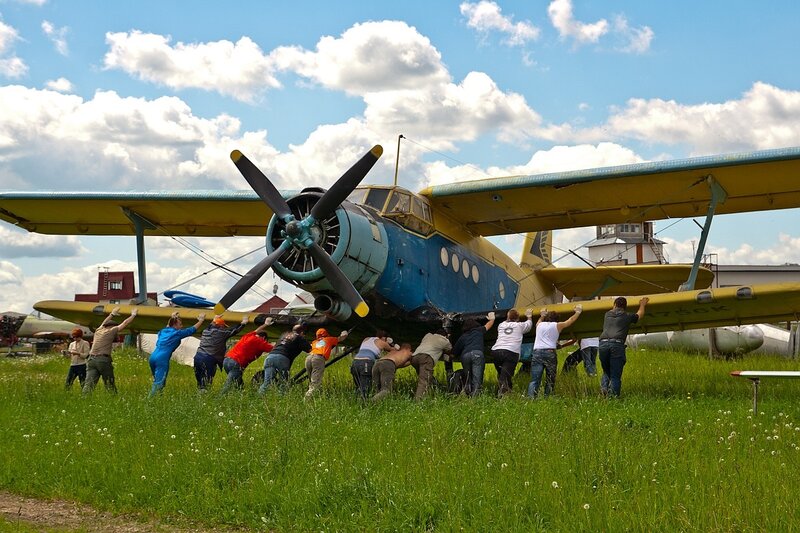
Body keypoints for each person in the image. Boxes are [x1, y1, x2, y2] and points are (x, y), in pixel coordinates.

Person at [527, 306, 583, 398]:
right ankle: (548, 397)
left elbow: (539, 320)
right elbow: (570, 320)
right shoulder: (557, 325)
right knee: (550, 378)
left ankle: (531, 398)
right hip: (550, 352)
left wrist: (542, 315)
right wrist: (578, 312)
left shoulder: (539, 325)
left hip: (537, 352)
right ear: (556, 319)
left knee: (535, 379)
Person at [599, 297, 649, 398]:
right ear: (625, 307)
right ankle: (613, 398)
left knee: (606, 371)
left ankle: (604, 389)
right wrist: (642, 304)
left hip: (603, 344)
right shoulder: (627, 315)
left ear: (614, 305)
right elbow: (640, 315)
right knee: (615, 375)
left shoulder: (607, 314)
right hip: (617, 345)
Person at [149, 312, 206, 397]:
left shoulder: (163, 331)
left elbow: (169, 325)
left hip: (152, 357)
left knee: (158, 380)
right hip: (162, 359)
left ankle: (158, 398)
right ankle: (150, 401)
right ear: (175, 325)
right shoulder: (177, 333)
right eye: (180, 324)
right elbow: (191, 330)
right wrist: (201, 320)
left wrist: (172, 317)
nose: (181, 326)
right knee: (159, 382)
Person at [83, 307, 137, 394]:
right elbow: (125, 323)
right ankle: (113, 399)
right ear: (111, 326)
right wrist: (133, 315)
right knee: (109, 382)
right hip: (103, 360)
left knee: (89, 384)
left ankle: (84, 399)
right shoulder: (111, 331)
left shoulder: (98, 330)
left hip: (91, 360)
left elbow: (103, 323)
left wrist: (112, 314)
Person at [193, 315, 248, 391]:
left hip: (198, 357)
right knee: (207, 381)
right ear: (221, 326)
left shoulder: (206, 330)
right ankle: (204, 398)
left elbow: (211, 325)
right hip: (209, 358)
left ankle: (199, 394)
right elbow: (234, 331)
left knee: (199, 379)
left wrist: (214, 319)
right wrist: (243, 323)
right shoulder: (221, 333)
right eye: (223, 326)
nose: (224, 328)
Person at [220, 318, 275, 394]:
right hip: (236, 363)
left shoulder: (249, 336)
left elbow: (256, 330)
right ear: (264, 338)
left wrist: (265, 324)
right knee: (229, 384)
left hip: (226, 360)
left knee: (238, 382)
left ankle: (241, 395)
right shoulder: (261, 341)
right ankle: (220, 397)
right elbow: (275, 349)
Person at [490, 308, 533, 397]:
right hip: (511, 352)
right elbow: (529, 325)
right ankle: (502, 396)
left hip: (496, 351)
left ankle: (506, 391)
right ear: (518, 318)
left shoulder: (501, 325)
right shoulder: (520, 326)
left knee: (503, 374)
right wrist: (529, 317)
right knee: (505, 376)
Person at [258, 323, 311, 395]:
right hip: (282, 358)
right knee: (283, 383)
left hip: (270, 357)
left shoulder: (284, 334)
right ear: (301, 332)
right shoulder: (300, 337)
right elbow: (310, 350)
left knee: (267, 382)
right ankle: (281, 398)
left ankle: (260, 396)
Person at [451, 312, 495, 397]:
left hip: (465, 356)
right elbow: (489, 325)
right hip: (477, 354)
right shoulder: (479, 331)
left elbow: (453, 353)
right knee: (477, 379)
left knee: (468, 378)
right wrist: (492, 318)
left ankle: (468, 394)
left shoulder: (463, 336)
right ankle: (475, 398)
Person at [350, 330, 397, 400]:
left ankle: (355, 402)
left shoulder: (366, 339)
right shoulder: (382, 342)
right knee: (365, 387)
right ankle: (363, 405)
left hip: (355, 362)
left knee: (358, 386)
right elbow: (392, 350)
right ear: (385, 338)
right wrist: (391, 344)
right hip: (365, 362)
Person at [304, 328, 349, 398]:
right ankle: (307, 399)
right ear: (326, 334)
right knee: (315, 382)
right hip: (318, 359)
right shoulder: (328, 339)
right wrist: (345, 333)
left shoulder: (314, 342)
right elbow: (341, 338)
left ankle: (314, 397)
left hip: (308, 358)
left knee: (312, 380)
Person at [410, 329, 452, 400]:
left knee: (427, 378)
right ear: (445, 335)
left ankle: (431, 393)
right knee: (424, 381)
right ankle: (419, 401)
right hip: (426, 358)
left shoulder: (428, 335)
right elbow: (450, 350)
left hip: (415, 357)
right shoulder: (445, 341)